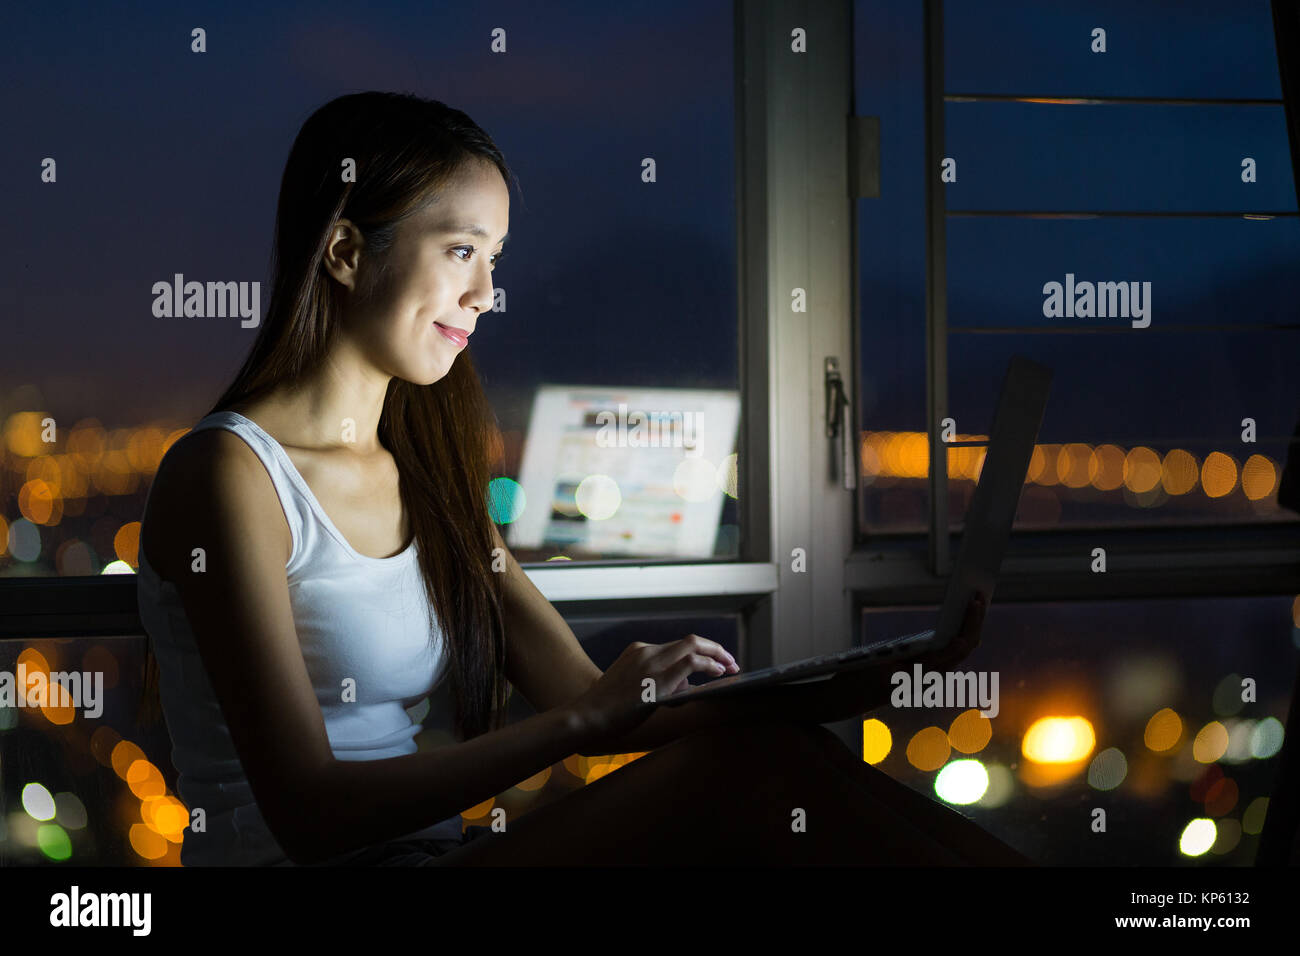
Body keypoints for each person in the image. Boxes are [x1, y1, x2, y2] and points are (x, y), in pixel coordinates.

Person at [136, 91, 1028, 867]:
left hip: (440, 855)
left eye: (497, 260)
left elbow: (588, 697)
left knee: (786, 754)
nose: (486, 292)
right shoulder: (229, 476)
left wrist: (866, 677)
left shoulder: (426, 476)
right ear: (343, 251)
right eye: (460, 251)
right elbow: (309, 811)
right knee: (756, 782)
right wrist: (581, 725)